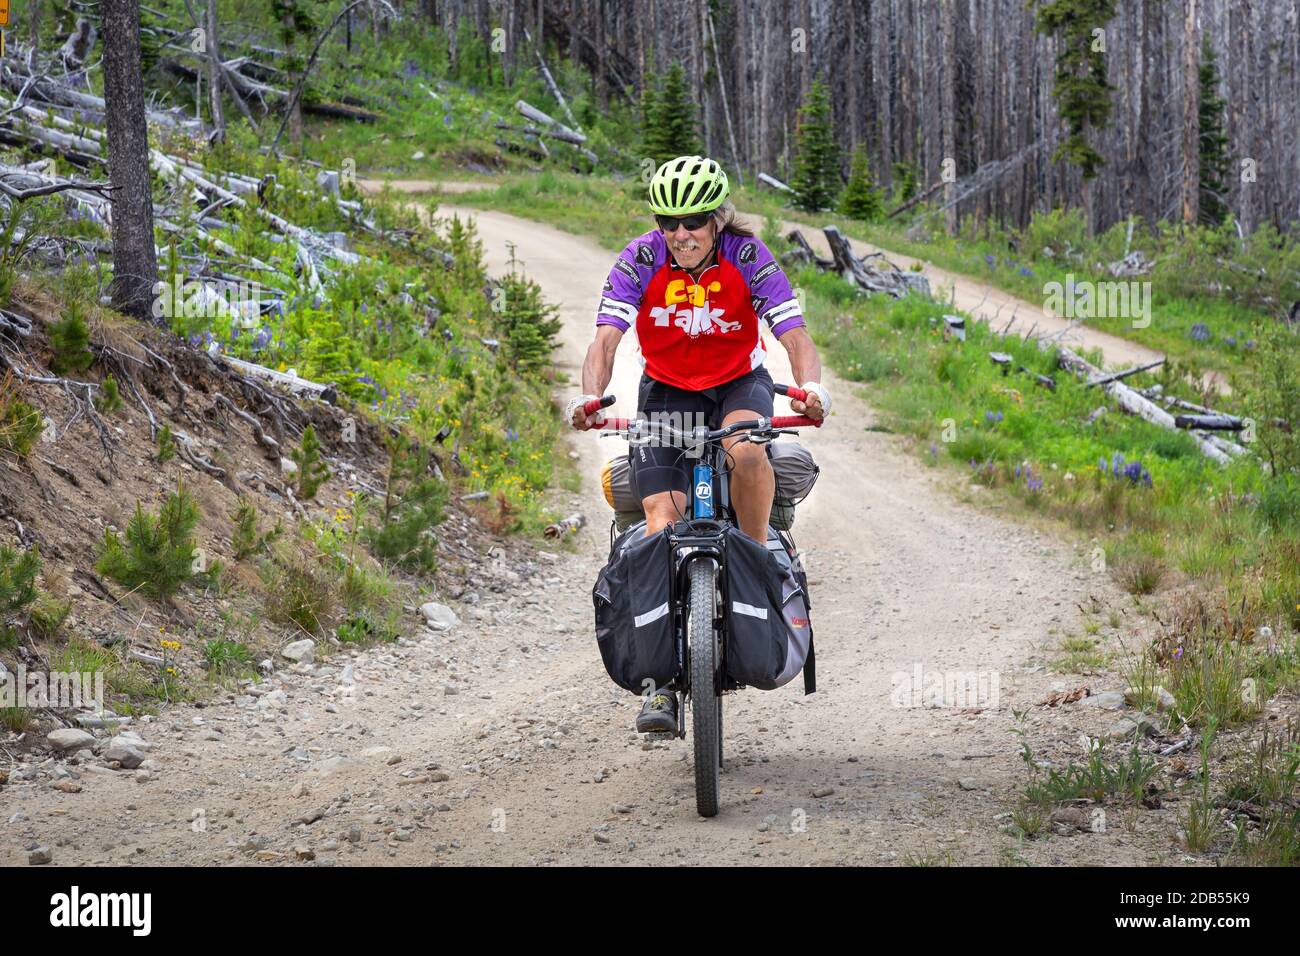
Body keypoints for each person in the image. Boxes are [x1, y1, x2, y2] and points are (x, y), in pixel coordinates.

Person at [565, 155, 830, 733]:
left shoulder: (747, 257)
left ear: (717, 219)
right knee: (661, 515)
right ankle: (659, 685)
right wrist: (590, 397)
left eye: (693, 221)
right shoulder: (640, 258)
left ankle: (754, 563)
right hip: (665, 390)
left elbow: (795, 335)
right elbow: (605, 341)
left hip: (738, 382)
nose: (680, 234)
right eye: (669, 222)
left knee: (748, 448)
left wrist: (810, 388)